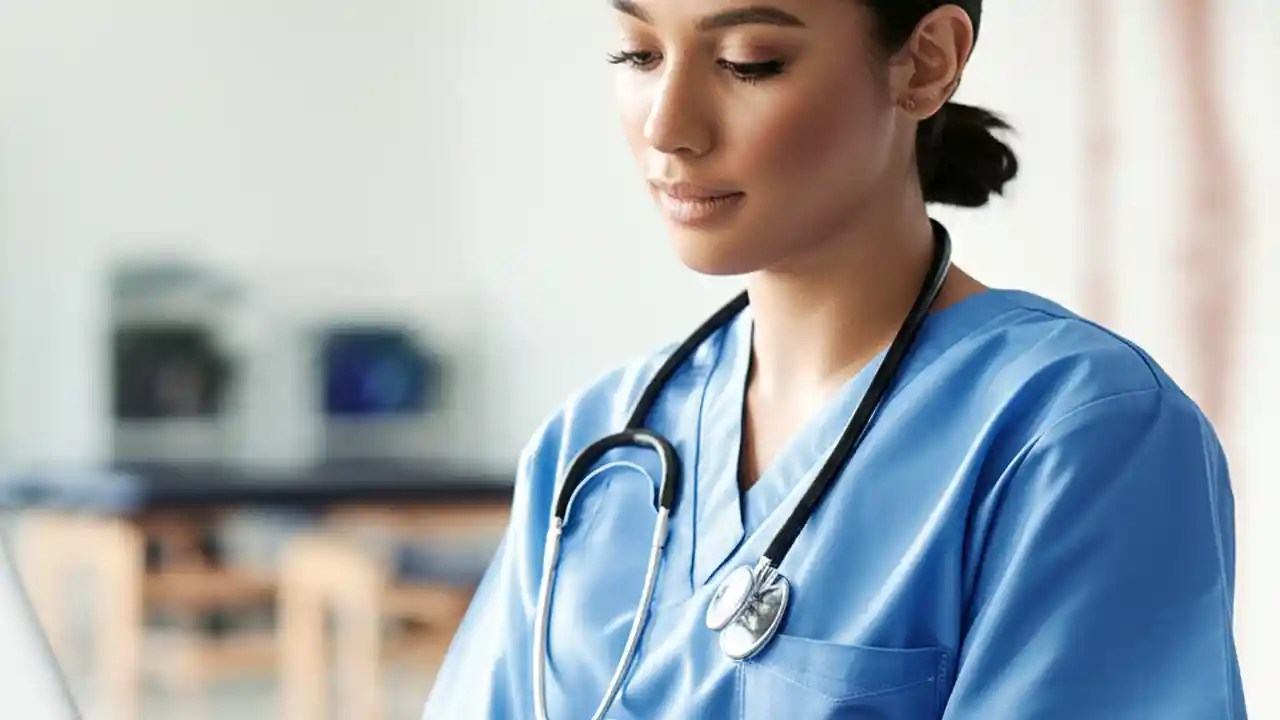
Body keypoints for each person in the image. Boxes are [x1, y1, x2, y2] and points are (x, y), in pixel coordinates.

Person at [423, 1, 1248, 717]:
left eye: (750, 62)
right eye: (638, 53)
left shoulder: (1077, 435)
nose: (667, 125)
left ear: (926, 63)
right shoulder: (591, 450)